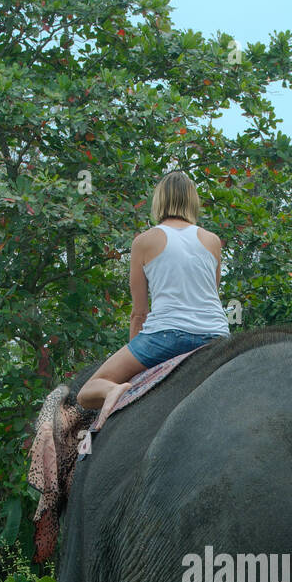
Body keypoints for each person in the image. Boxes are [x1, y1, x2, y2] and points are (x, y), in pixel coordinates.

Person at [75, 169, 231, 426]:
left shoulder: (144, 241)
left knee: (87, 392)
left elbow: (139, 314)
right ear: (193, 202)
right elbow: (210, 297)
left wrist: (136, 371)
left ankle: (114, 390)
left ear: (159, 200)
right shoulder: (212, 241)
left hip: (166, 337)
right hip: (216, 338)